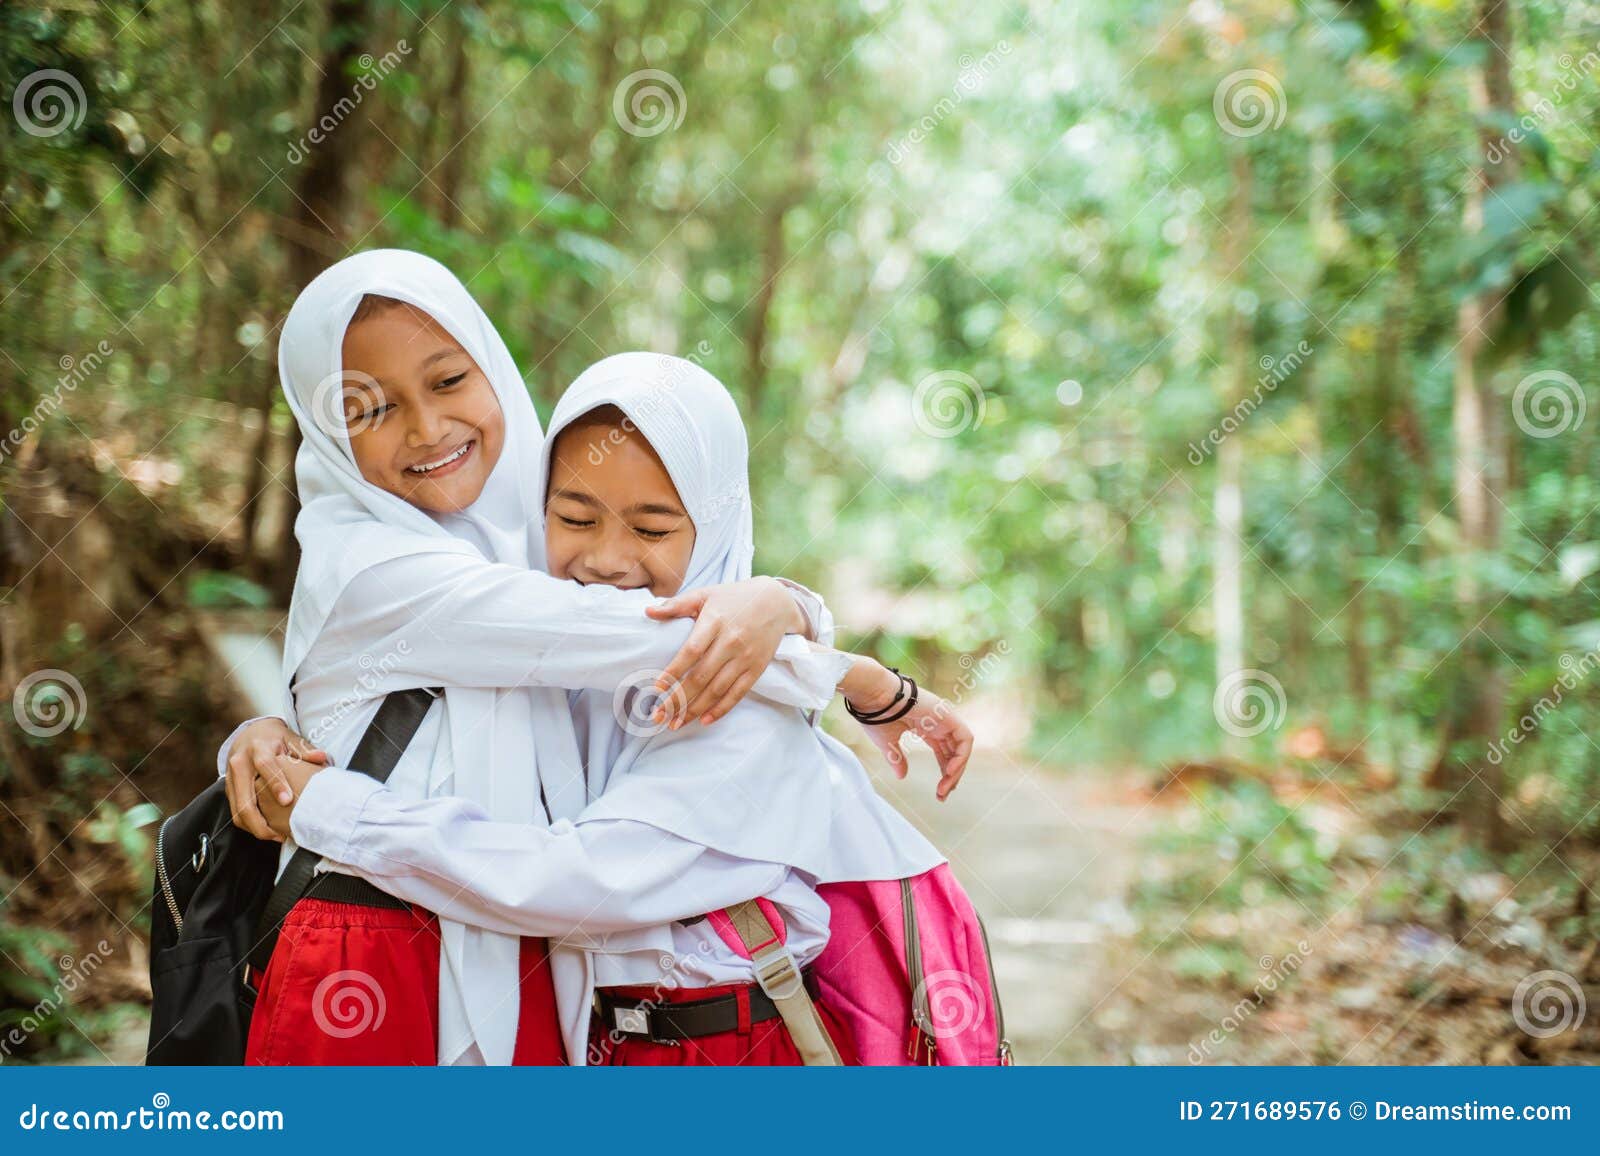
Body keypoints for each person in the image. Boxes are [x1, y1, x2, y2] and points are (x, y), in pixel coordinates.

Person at [228, 250, 970, 1066]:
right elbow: (630, 631)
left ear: (494, 370)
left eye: (448, 382)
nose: (428, 429)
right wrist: (835, 655)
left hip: (549, 984)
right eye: (370, 409)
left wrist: (784, 611)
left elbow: (578, 869)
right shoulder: (372, 564)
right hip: (377, 946)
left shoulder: (516, 541)